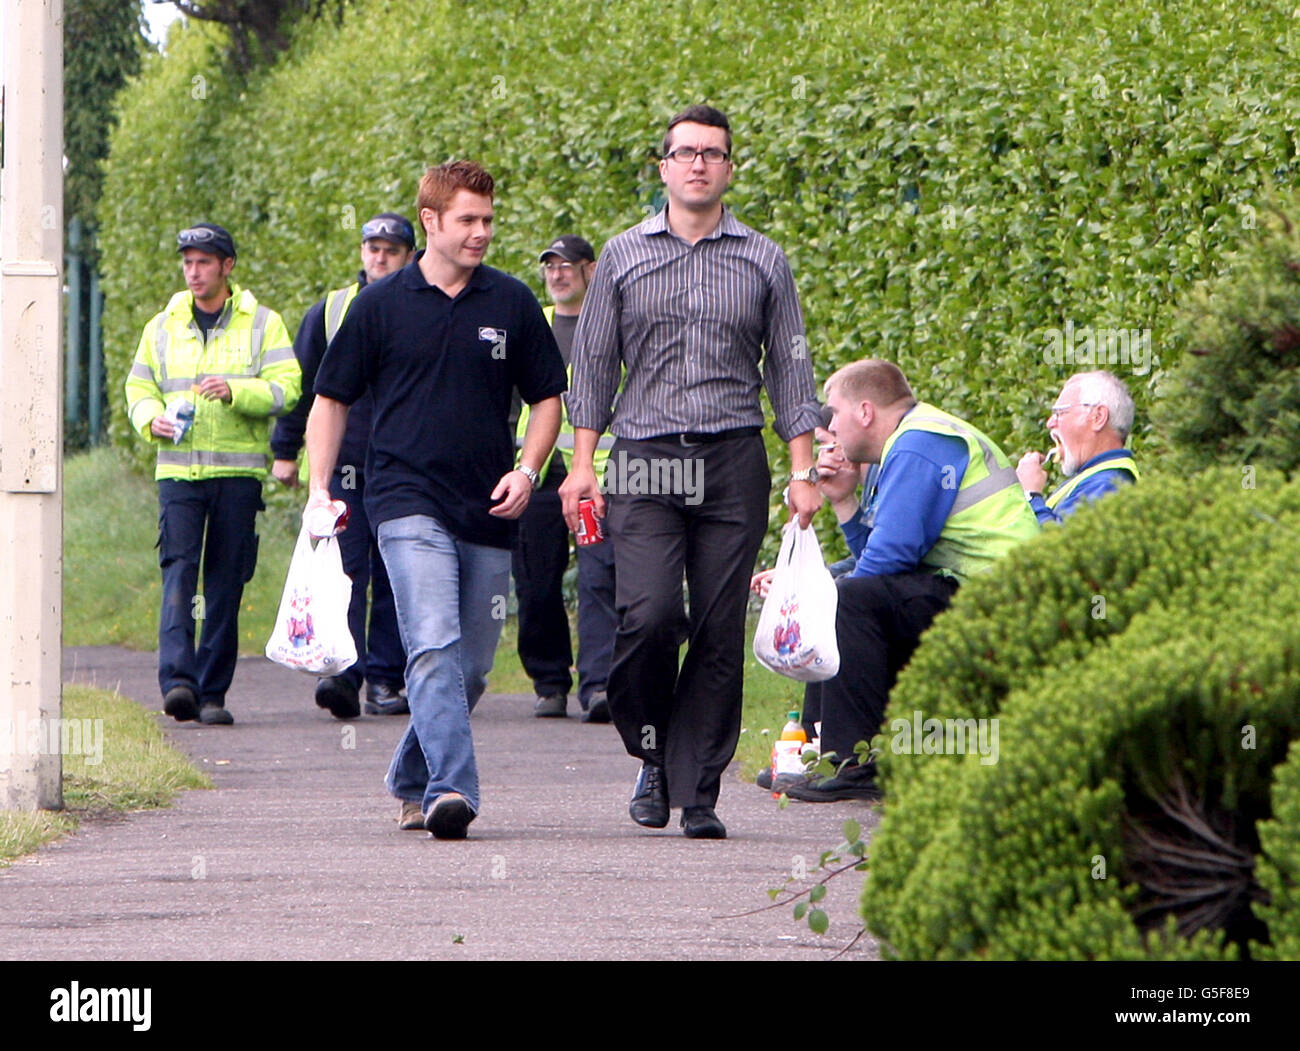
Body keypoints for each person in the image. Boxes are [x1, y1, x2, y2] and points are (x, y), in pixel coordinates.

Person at [561, 105, 822, 840]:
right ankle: (651, 753)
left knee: (714, 629)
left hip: (732, 457)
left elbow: (792, 369)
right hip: (644, 456)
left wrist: (803, 466)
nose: (699, 163)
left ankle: (699, 790)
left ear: (729, 168)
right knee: (646, 617)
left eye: (713, 153)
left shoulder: (764, 259)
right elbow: (593, 367)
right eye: (686, 152)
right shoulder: (620, 256)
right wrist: (582, 464)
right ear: (664, 167)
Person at [305, 161, 565, 839]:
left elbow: (547, 399)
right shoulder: (381, 305)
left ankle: (408, 775)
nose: (482, 232)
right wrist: (319, 490)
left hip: (487, 504)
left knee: (472, 663)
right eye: (468, 220)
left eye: (487, 219)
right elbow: (330, 400)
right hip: (402, 497)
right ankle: (452, 787)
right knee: (432, 642)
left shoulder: (511, 303)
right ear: (431, 221)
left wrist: (529, 470)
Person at [752, 360, 1040, 801]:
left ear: (865, 412)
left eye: (835, 412)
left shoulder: (917, 444)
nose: (830, 426)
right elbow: (881, 562)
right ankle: (810, 755)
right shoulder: (913, 440)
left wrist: (821, 598)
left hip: (1003, 602)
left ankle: (853, 766)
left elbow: (888, 562)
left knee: (848, 601)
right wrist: (845, 501)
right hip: (981, 593)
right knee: (848, 598)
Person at [124, 222, 300, 726]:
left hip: (237, 475)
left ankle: (213, 693)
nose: (193, 272)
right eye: (187, 262)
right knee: (178, 572)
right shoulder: (162, 324)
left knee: (225, 581)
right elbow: (138, 388)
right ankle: (178, 682)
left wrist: (237, 391)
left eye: (203, 262)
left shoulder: (263, 323)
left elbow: (288, 388)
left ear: (227, 266)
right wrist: (147, 420)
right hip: (178, 473)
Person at [271, 212, 417, 720]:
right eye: (372, 248)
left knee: (398, 573)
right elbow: (307, 386)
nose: (379, 257)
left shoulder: (418, 305)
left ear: (409, 255)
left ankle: (385, 679)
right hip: (346, 466)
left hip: (403, 465)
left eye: (390, 250)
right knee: (346, 571)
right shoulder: (332, 310)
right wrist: (286, 451)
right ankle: (343, 674)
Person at [513, 234, 616, 723]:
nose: (557, 274)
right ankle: (549, 680)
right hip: (536, 474)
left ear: (590, 270)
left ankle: (599, 685)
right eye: (550, 266)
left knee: (598, 577)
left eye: (567, 265)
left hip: (596, 475)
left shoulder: (612, 322)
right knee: (535, 581)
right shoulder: (533, 323)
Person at [1016, 370, 1140, 523]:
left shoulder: (1108, 484)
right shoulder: (1097, 480)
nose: (1050, 423)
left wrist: (1030, 494)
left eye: (1060, 413)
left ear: (1098, 417)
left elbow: (1058, 544)